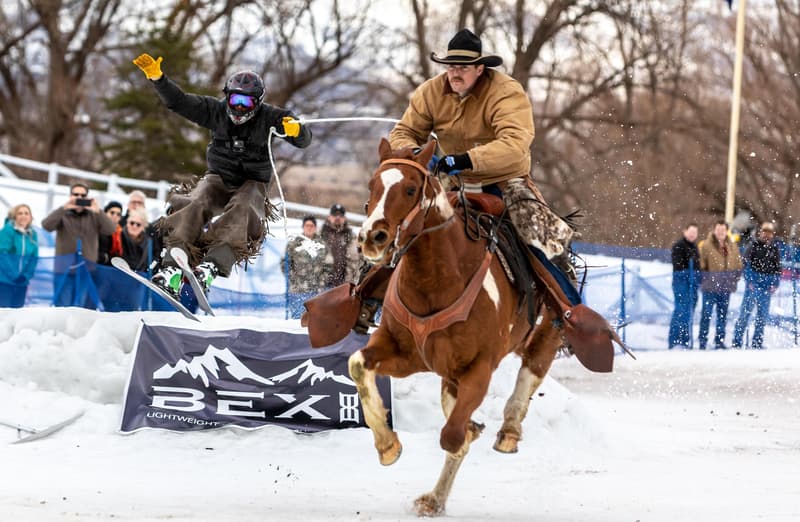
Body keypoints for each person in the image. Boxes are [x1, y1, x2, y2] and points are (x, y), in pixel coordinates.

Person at [388, 29, 575, 277]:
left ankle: (567, 306)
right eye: (451, 66)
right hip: (451, 179)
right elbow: (403, 132)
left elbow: (515, 143)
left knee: (543, 237)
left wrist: (466, 160)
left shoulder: (506, 92)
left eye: (463, 67)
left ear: (480, 69)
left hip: (506, 181)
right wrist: (416, 153)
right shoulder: (429, 92)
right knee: (397, 222)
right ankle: (365, 296)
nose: (455, 72)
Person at [132, 53, 312, 298]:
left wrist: (297, 131)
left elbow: (304, 140)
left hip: (253, 182)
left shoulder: (272, 117)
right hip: (218, 177)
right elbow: (180, 102)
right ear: (227, 96)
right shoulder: (214, 110)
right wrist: (159, 79)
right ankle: (173, 267)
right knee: (196, 201)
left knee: (245, 207)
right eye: (235, 99)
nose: (239, 107)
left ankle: (212, 264)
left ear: (257, 103)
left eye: (246, 103)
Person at [41, 182, 116, 307]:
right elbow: (46, 225)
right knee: (62, 307)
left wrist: (98, 211)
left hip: (86, 271)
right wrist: (64, 208)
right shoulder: (63, 214)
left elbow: (110, 229)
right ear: (70, 195)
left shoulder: (94, 215)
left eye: (83, 195)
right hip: (64, 270)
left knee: (79, 309)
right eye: (76, 194)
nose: (79, 198)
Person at [732, 222, 782, 349]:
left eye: (769, 232)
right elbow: (745, 264)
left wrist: (775, 283)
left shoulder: (774, 248)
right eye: (765, 231)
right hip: (753, 285)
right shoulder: (753, 245)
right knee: (745, 314)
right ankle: (737, 342)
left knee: (762, 316)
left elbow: (778, 268)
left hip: (766, 286)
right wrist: (750, 281)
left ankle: (757, 342)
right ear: (760, 232)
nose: (767, 234)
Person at [697, 220, 743, 349]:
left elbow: (739, 265)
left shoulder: (732, 245)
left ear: (726, 231)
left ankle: (719, 341)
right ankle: (702, 341)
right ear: (714, 230)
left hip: (725, 288)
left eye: (723, 230)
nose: (720, 232)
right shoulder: (705, 245)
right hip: (709, 288)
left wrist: (734, 279)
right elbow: (700, 265)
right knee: (706, 315)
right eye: (718, 230)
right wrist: (705, 278)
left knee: (722, 316)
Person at [282, 215, 328, 319]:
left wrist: (321, 281)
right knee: (297, 318)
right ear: (303, 227)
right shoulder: (294, 243)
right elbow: (285, 263)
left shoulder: (321, 245)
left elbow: (328, 266)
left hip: (316, 290)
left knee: (314, 319)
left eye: (312, 225)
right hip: (297, 289)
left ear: (315, 228)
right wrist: (293, 278)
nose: (309, 228)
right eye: (307, 225)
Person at [668, 223, 701, 349]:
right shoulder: (678, 246)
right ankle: (675, 340)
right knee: (680, 311)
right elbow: (678, 266)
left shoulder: (695, 247)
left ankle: (685, 339)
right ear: (685, 231)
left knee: (689, 312)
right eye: (691, 232)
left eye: (695, 232)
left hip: (692, 284)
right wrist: (689, 273)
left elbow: (697, 266)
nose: (692, 234)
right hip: (681, 283)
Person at [0, 204, 39, 307]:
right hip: (5, 281)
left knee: (17, 313)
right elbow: (3, 255)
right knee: (4, 313)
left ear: (30, 217)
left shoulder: (33, 234)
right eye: (20, 213)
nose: (23, 216)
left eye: (26, 213)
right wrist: (14, 275)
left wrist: (25, 276)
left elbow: (33, 258)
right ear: (15, 216)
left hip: (22, 282)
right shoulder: (7, 231)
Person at [321, 204, 359, 289]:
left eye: (340, 215)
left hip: (344, 284)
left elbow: (356, 261)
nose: (337, 218)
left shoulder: (351, 236)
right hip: (322, 284)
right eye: (335, 215)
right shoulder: (320, 234)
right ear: (329, 217)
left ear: (344, 218)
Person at [98, 201, 124, 265]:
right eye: (112, 213)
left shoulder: (121, 233)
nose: (115, 216)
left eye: (118, 214)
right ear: (106, 213)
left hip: (110, 267)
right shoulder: (97, 227)